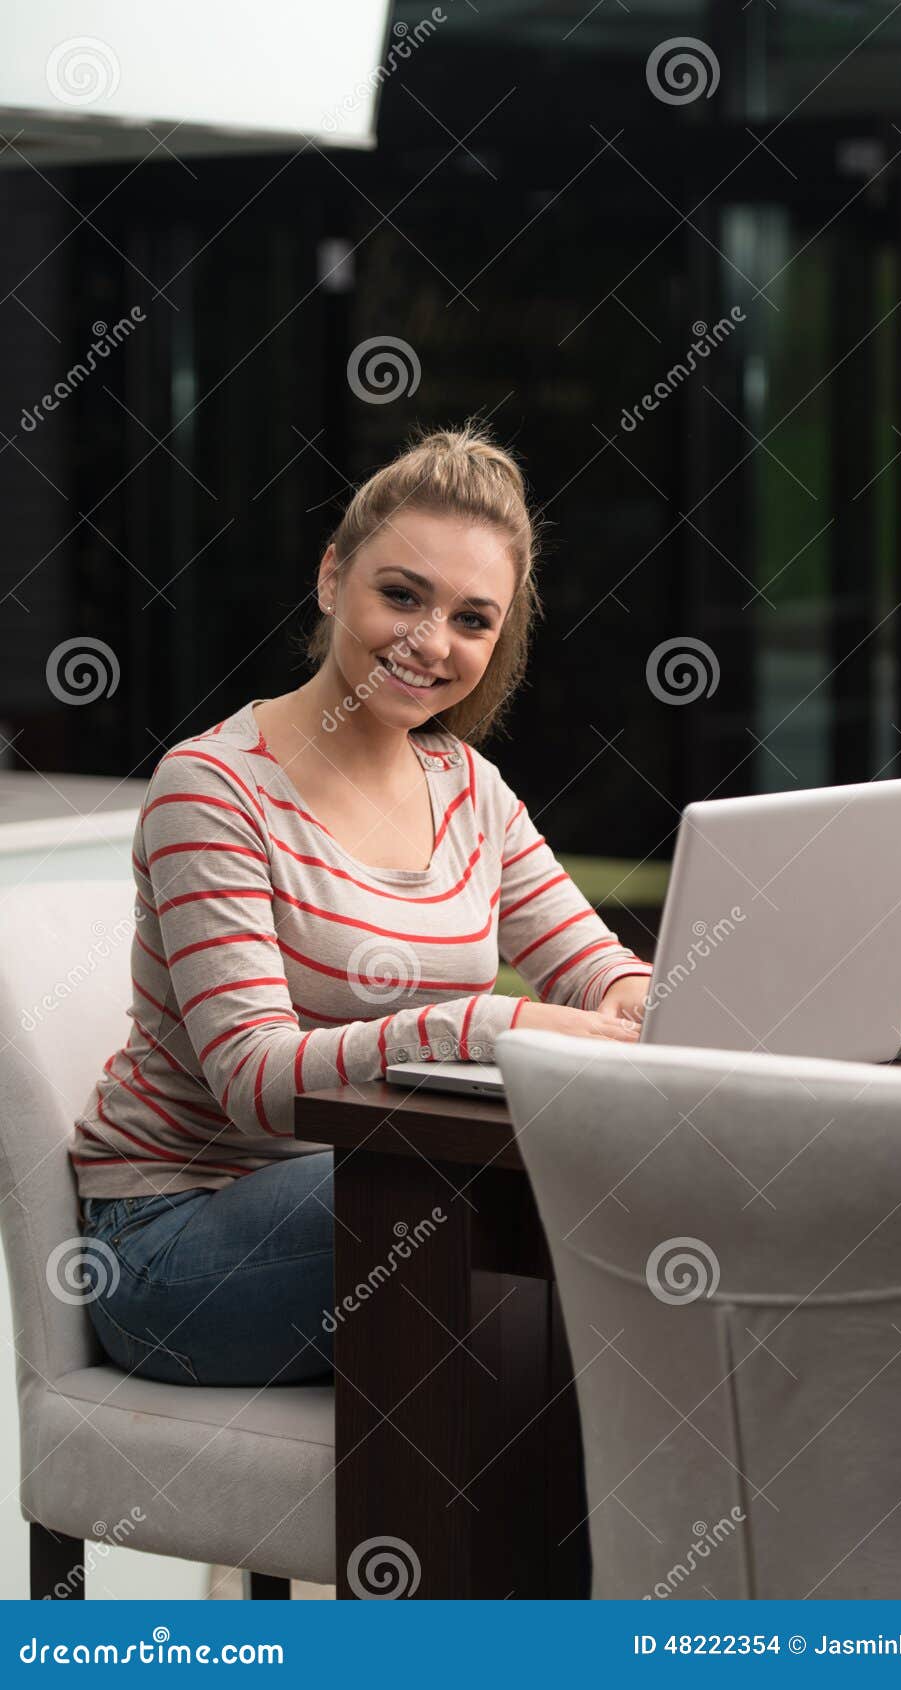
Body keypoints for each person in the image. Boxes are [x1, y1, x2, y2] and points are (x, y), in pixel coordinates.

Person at [70, 419, 653, 1387]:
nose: (431, 643)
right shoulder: (213, 788)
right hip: (179, 1236)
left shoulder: (469, 785)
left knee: (589, 1252)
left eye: (473, 618)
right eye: (401, 595)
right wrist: (486, 1022)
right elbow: (254, 1079)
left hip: (385, 1184)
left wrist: (638, 1001)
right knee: (529, 1239)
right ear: (332, 576)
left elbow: (592, 967)